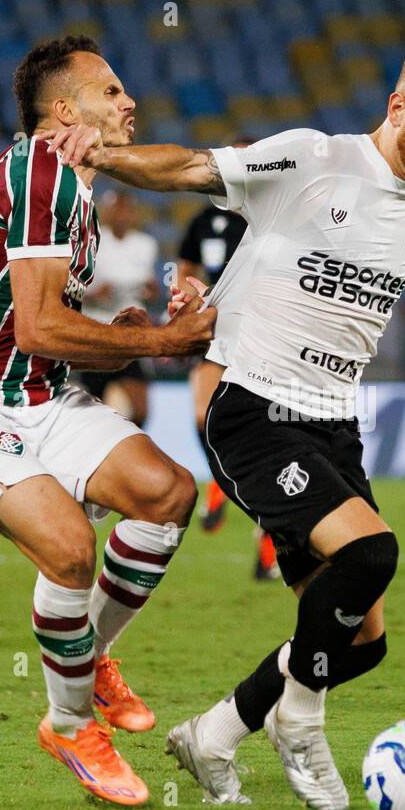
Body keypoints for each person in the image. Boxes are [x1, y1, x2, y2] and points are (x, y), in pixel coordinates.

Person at [45, 30, 405, 810]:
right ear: (398, 106)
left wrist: (215, 299)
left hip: (334, 425)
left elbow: (281, 270)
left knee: (362, 639)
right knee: (370, 554)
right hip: (252, 409)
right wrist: (99, 156)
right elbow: (191, 168)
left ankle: (215, 734)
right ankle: (301, 722)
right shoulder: (313, 159)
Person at [0, 36, 216, 807]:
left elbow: (40, 326)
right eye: (110, 91)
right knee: (69, 545)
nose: (127, 102)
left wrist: (117, 325)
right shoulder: (38, 169)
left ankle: (88, 653)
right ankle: (68, 722)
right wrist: (154, 341)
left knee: (165, 493)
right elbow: (36, 328)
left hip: (34, 396)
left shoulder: (76, 194)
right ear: (63, 111)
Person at [175, 137, 278, 581]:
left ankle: (269, 543)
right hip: (216, 328)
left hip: (266, 334)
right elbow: (185, 265)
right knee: (205, 417)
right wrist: (186, 295)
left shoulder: (277, 217)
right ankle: (223, 485)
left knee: (268, 433)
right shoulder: (205, 219)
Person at [78, 190, 160, 425]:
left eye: (126, 209)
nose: (122, 214)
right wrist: (95, 295)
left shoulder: (145, 244)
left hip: (131, 331)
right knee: (94, 406)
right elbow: (73, 289)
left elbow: (153, 289)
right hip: (98, 329)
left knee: (140, 408)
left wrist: (152, 291)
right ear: (106, 212)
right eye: (117, 208)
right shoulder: (92, 242)